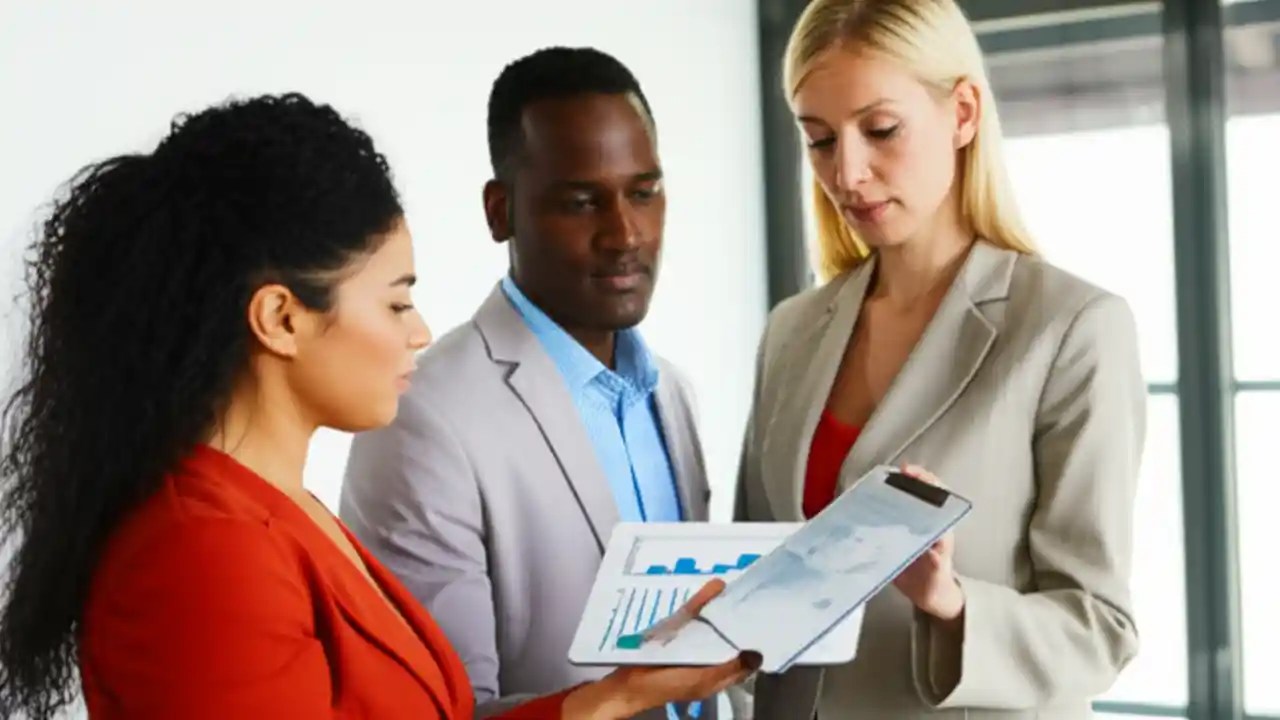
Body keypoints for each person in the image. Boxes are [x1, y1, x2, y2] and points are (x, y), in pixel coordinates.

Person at [0, 92, 757, 720]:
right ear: (281, 320)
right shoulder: (203, 551)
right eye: (396, 303)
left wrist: (618, 694)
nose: (419, 332)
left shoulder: (283, 511)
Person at [734, 1, 1146, 718]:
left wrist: (947, 601)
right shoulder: (792, 332)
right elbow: (753, 580)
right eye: (820, 140)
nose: (847, 173)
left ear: (962, 114)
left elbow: (1099, 628)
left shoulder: (1071, 329)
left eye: (881, 130)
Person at [340, 47, 715, 719]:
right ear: (499, 211)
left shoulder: (671, 394)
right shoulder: (421, 417)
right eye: (581, 202)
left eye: (644, 192)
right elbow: (438, 710)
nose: (625, 234)